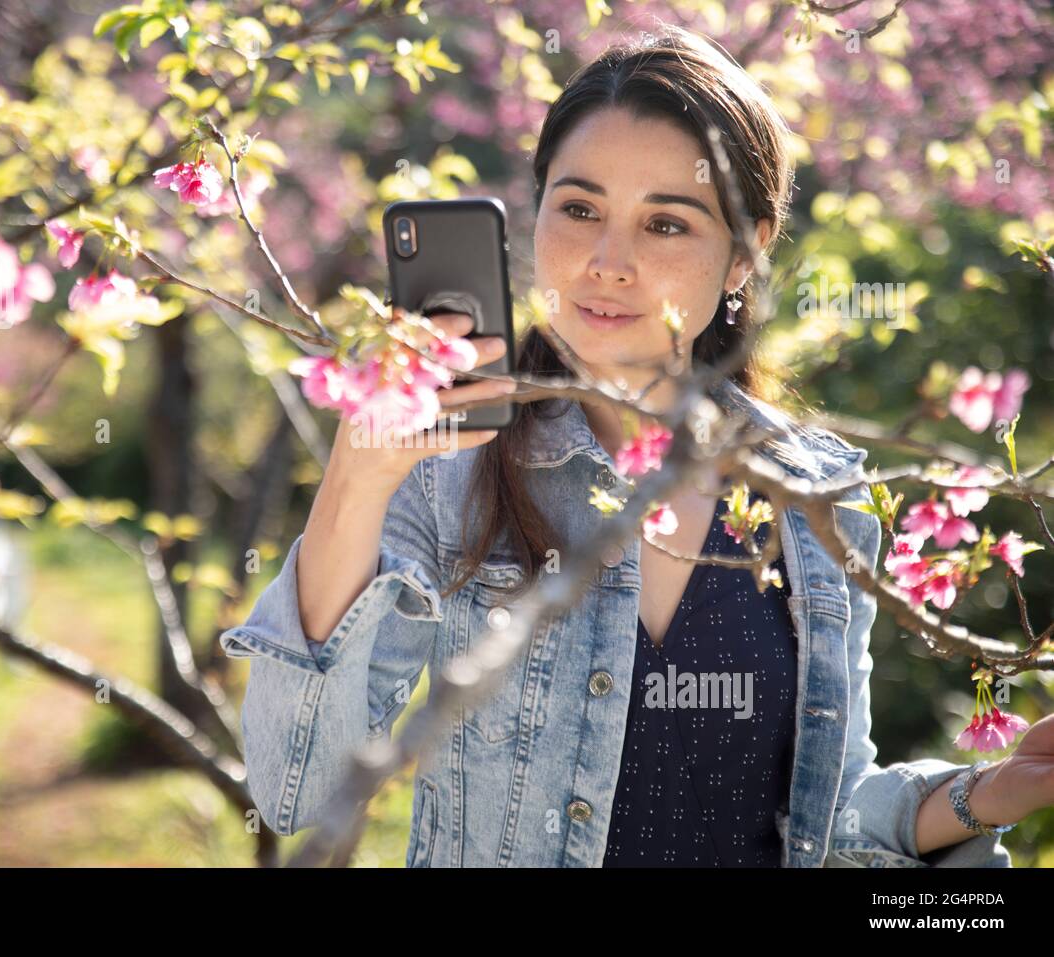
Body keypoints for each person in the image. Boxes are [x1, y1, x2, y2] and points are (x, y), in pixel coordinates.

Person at [220, 25, 1025, 867]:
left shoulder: (818, 496)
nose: (608, 262)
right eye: (579, 209)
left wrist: (988, 793)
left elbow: (832, 808)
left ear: (745, 255)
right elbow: (294, 789)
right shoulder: (443, 476)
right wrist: (356, 478)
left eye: (666, 225)